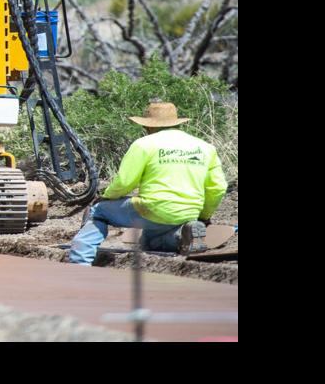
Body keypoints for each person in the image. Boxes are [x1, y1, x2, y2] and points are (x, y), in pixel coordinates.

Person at [66, 100, 228, 265]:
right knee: (149, 242)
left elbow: (124, 182)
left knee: (98, 211)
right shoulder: (206, 147)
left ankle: (79, 262)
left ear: (149, 126)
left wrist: (106, 197)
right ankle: (182, 235)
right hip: (188, 213)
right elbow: (218, 187)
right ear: (177, 123)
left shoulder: (143, 145)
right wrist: (203, 216)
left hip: (153, 209)